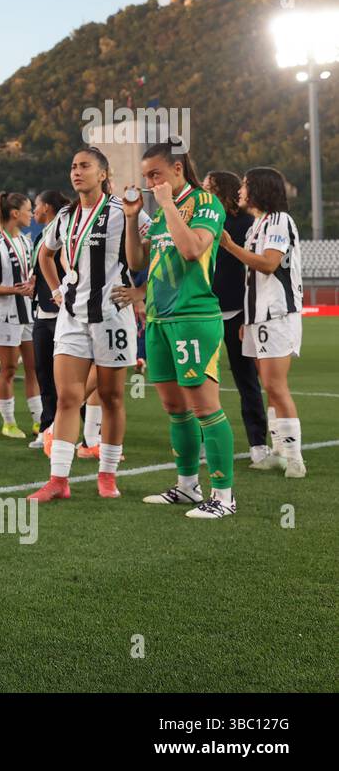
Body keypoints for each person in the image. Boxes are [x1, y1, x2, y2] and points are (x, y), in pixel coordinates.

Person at [122, 142, 236, 517]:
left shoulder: (205, 204)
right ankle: (187, 487)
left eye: (155, 174)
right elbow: (137, 260)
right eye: (145, 177)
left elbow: (191, 251)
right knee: (174, 408)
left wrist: (168, 204)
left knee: (205, 407)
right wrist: (131, 217)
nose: (149, 183)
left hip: (193, 316)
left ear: (176, 169)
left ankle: (224, 497)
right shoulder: (157, 215)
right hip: (158, 319)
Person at [30, 149, 141, 502]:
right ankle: (58, 480)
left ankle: (107, 475)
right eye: (74, 167)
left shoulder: (122, 211)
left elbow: (150, 255)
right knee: (68, 398)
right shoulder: (64, 216)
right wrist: (55, 289)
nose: (76, 172)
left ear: (103, 173)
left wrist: (140, 290)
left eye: (85, 166)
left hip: (112, 315)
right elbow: (44, 255)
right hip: (72, 316)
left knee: (111, 396)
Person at [219, 167, 305, 478]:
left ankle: (295, 458)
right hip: (258, 317)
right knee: (270, 386)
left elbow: (268, 264)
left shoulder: (279, 220)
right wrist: (248, 317)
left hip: (278, 314)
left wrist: (230, 246)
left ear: (258, 189)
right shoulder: (259, 224)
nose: (240, 190)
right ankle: (279, 451)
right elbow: (251, 279)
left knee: (275, 386)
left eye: (244, 185)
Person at [202, 171, 270, 468]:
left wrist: (248, 314)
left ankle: (258, 443)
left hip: (238, 314)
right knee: (202, 381)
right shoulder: (200, 220)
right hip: (204, 312)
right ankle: (205, 443)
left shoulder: (246, 224)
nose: (203, 191)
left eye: (208, 187)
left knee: (247, 381)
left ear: (223, 191)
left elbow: (253, 271)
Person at [0, 192, 40, 438]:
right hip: (5, 314)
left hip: (28, 312)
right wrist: (12, 289)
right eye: (28, 209)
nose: (32, 214)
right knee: (8, 369)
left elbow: (30, 274)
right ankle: (9, 422)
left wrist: (33, 283)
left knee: (34, 368)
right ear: (15, 213)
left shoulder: (26, 241)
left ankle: (39, 420)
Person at [28, 190, 70, 449]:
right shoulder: (40, 236)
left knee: (67, 378)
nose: (34, 210)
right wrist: (32, 284)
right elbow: (41, 269)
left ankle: (88, 433)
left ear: (47, 206)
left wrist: (60, 291)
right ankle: (47, 428)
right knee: (43, 372)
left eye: (36, 205)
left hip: (63, 312)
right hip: (42, 311)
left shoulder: (65, 231)